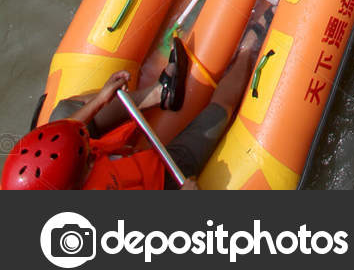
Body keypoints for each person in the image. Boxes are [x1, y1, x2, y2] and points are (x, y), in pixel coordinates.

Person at [1, 42, 267, 191]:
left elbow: (68, 129)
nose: (91, 162)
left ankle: (159, 94)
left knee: (64, 112)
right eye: (87, 164)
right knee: (217, 115)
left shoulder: (43, 177)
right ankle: (249, 49)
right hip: (162, 178)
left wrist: (101, 99)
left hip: (116, 159)